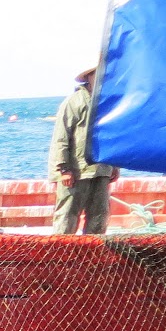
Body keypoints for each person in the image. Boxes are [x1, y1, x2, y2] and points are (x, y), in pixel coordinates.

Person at [49, 66, 116, 235]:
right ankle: (61, 254)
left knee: (100, 215)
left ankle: (92, 255)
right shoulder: (73, 102)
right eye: (97, 74)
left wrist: (115, 165)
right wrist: (63, 169)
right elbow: (61, 137)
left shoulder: (107, 102)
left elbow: (113, 135)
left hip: (101, 169)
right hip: (75, 170)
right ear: (89, 77)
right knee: (67, 216)